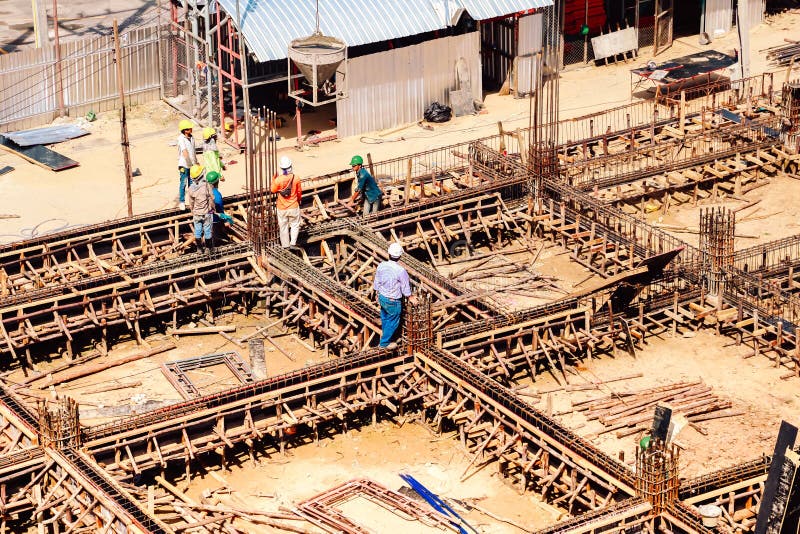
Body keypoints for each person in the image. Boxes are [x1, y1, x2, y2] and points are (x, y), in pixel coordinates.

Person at [373, 243, 417, 349]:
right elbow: (406, 287)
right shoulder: (401, 271)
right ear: (400, 256)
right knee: (393, 321)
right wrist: (410, 297)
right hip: (393, 301)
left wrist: (376, 292)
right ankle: (384, 343)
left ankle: (387, 336)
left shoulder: (381, 265)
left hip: (382, 297)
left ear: (389, 254)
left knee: (385, 318)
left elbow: (377, 280)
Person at [270, 156, 302, 248]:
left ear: (281, 168)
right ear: (290, 166)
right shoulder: (296, 178)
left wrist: (273, 179)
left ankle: (285, 245)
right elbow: (299, 192)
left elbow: (273, 190)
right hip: (294, 206)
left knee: (283, 226)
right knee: (295, 224)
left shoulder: (278, 180)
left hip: (282, 207)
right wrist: (299, 200)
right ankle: (293, 243)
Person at [186, 164, 215, 254]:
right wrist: (212, 208)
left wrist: (192, 211)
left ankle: (199, 248)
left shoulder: (190, 189)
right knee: (207, 230)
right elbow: (212, 198)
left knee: (198, 231)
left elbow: (191, 202)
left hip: (197, 214)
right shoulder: (206, 186)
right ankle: (208, 249)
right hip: (206, 213)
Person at [177, 120, 197, 210]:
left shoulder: (192, 138)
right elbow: (185, 152)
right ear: (185, 130)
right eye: (190, 128)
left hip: (192, 164)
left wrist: (196, 162)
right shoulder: (181, 139)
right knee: (183, 183)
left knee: (192, 184)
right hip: (184, 165)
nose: (191, 129)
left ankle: (192, 201)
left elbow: (193, 152)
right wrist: (190, 164)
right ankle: (182, 201)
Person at [206, 171, 233, 240]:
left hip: (204, 216)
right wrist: (226, 221)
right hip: (214, 220)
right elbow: (220, 211)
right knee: (229, 219)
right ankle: (220, 236)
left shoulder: (204, 190)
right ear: (217, 182)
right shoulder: (217, 195)